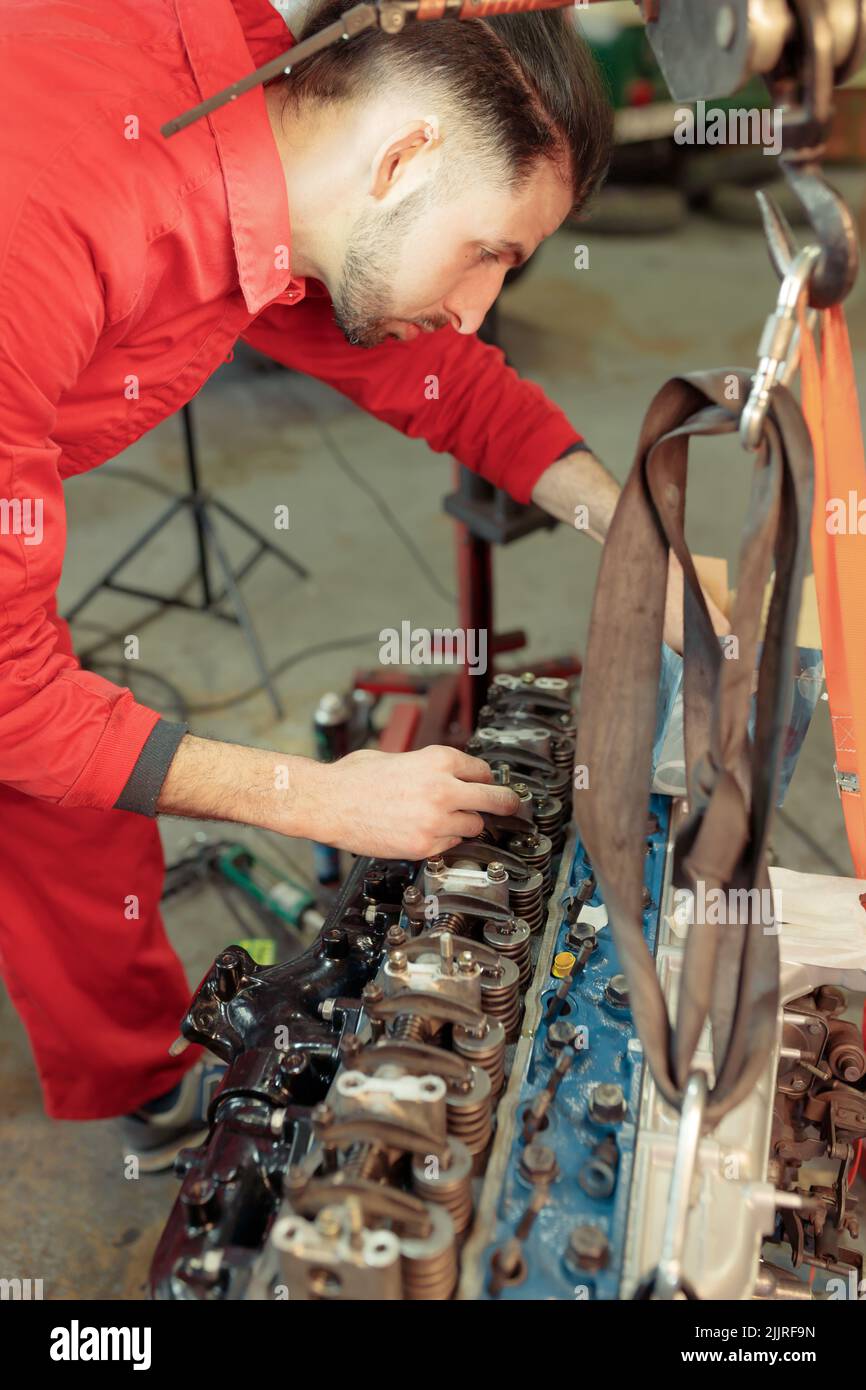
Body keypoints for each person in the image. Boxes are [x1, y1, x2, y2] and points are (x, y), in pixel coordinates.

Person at [0, 0, 715, 1168]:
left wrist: (634, 530)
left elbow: (439, 373)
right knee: (43, 743)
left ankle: (146, 1079)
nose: (481, 303)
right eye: (490, 251)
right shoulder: (48, 214)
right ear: (403, 158)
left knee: (72, 790)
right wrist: (317, 797)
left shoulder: (268, 143)